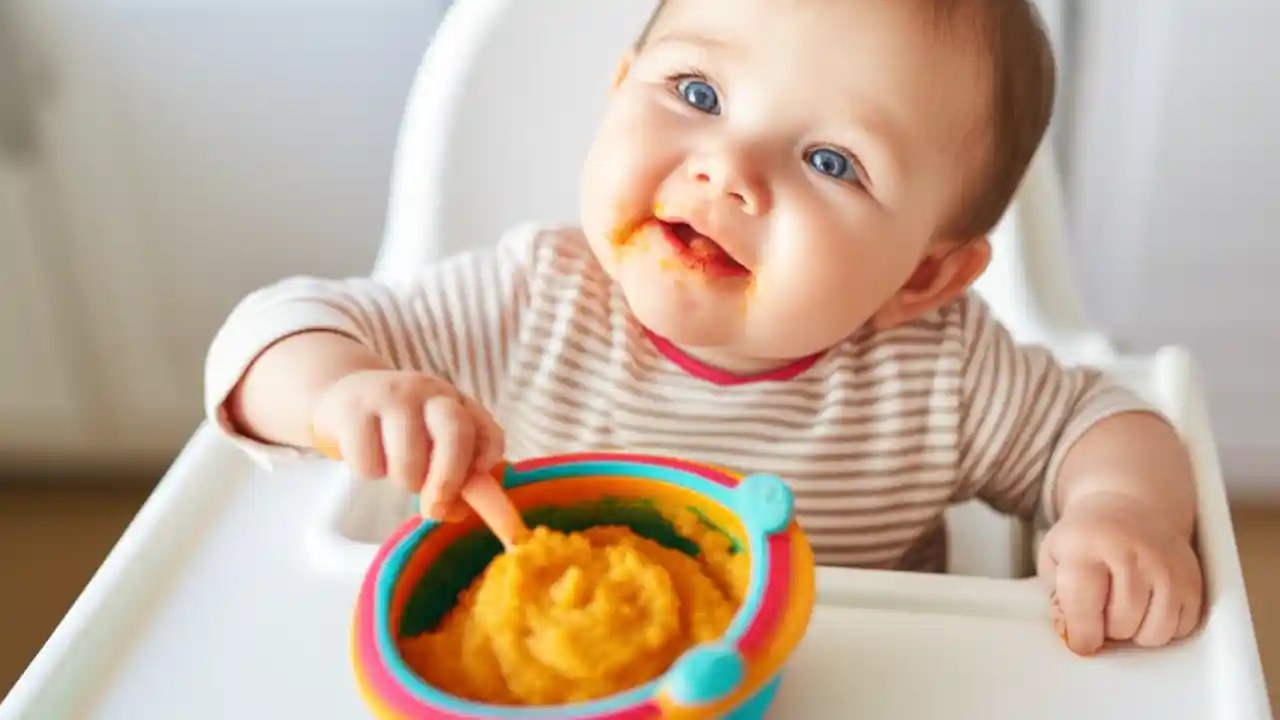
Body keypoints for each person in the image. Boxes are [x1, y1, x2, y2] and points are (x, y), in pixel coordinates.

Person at [204, 0, 1203, 656]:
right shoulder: (529, 302)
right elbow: (270, 332)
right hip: (554, 680)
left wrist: (1121, 513)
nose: (728, 169)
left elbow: (1108, 424)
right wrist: (339, 393)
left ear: (925, 274)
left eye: (830, 162)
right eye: (696, 95)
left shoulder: (938, 376)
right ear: (615, 93)